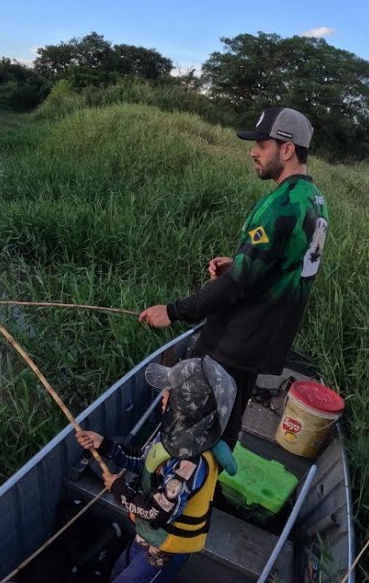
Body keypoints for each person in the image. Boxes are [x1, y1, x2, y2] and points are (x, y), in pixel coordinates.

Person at [138, 107, 329, 447]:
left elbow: (234, 286)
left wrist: (172, 311)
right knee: (227, 425)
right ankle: (213, 475)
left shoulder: (281, 205)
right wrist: (241, 261)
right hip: (260, 342)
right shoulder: (314, 200)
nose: (253, 152)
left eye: (262, 145)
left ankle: (179, 479)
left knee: (191, 431)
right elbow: (290, 263)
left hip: (232, 340)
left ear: (287, 149)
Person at [77, 357, 235, 583]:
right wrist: (105, 445)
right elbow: (144, 461)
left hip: (163, 550)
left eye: (170, 392)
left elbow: (156, 513)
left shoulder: (193, 463)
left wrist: (119, 489)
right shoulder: (177, 437)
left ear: (185, 405)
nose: (163, 396)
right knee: (118, 576)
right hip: (144, 537)